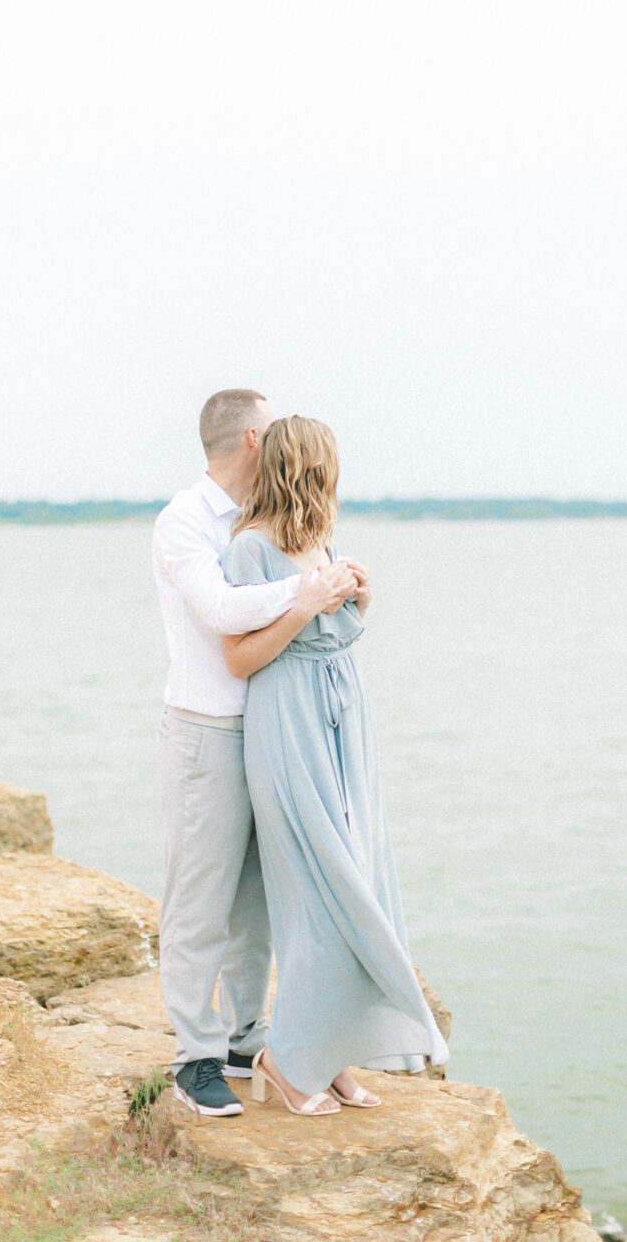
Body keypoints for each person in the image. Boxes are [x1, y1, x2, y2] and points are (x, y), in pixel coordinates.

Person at [221, 415, 448, 1117]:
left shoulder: (321, 540)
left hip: (345, 716)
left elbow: (337, 635)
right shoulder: (248, 551)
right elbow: (240, 658)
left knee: (362, 873)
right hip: (287, 719)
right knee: (318, 891)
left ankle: (329, 1054)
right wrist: (305, 604)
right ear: (310, 469)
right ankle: (286, 1062)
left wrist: (357, 599)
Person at [152, 390, 357, 1117]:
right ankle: (195, 1056)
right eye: (273, 430)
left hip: (273, 728)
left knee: (257, 901)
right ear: (250, 438)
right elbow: (224, 613)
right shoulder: (186, 522)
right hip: (208, 731)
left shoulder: (261, 523)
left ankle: (246, 1035)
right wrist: (313, 590)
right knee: (198, 901)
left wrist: (339, 589)